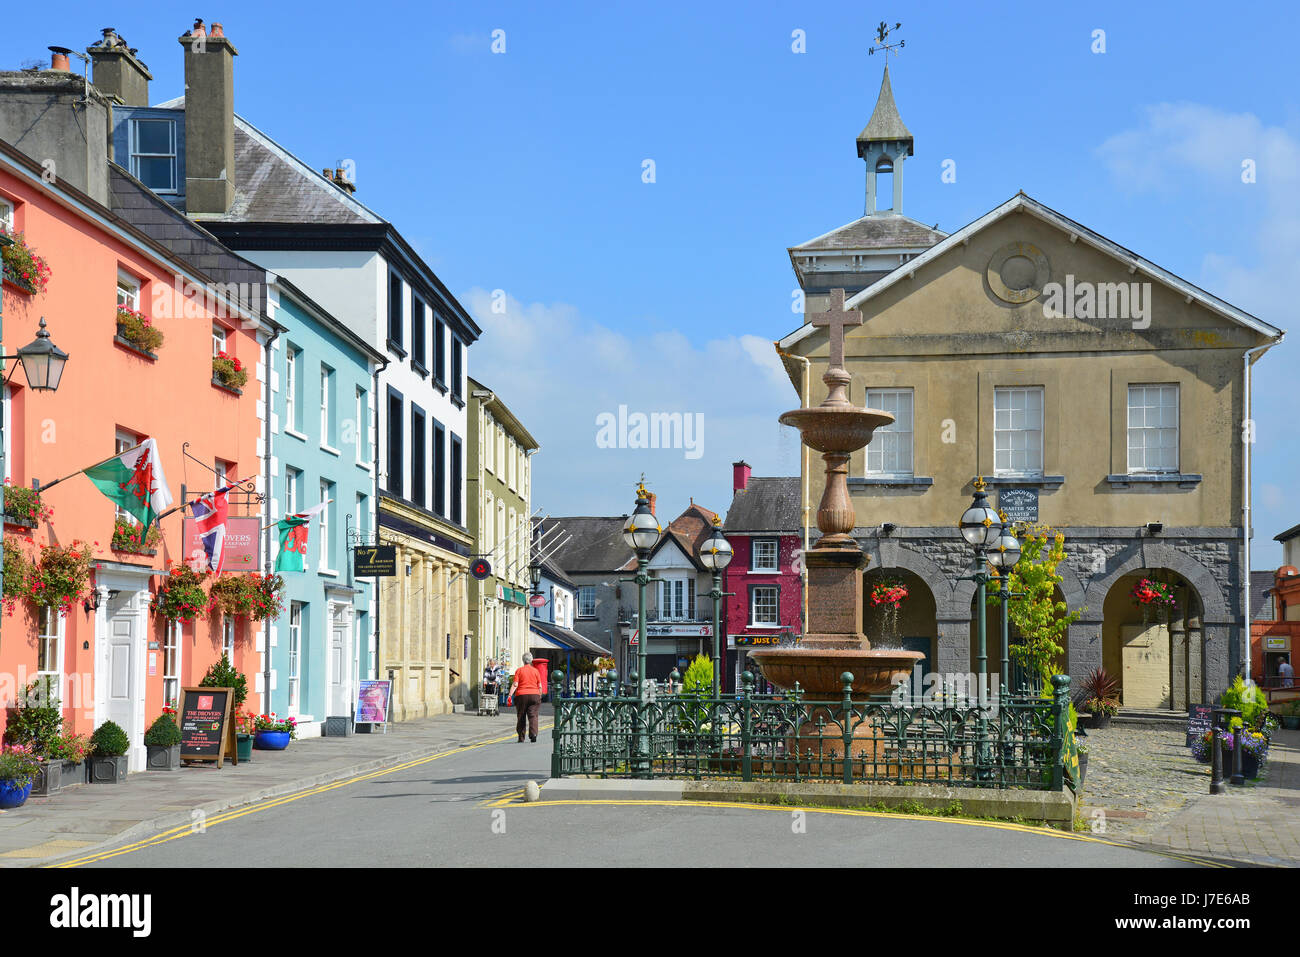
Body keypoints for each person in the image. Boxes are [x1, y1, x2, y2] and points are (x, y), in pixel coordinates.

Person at [509, 652, 544, 743]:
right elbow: (540, 686)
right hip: (534, 695)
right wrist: (539, 696)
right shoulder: (536, 671)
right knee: (533, 715)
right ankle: (533, 734)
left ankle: (521, 737)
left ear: (523, 660)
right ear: (531, 660)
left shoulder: (519, 670)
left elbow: (515, 684)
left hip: (521, 695)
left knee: (521, 716)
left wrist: (510, 695)